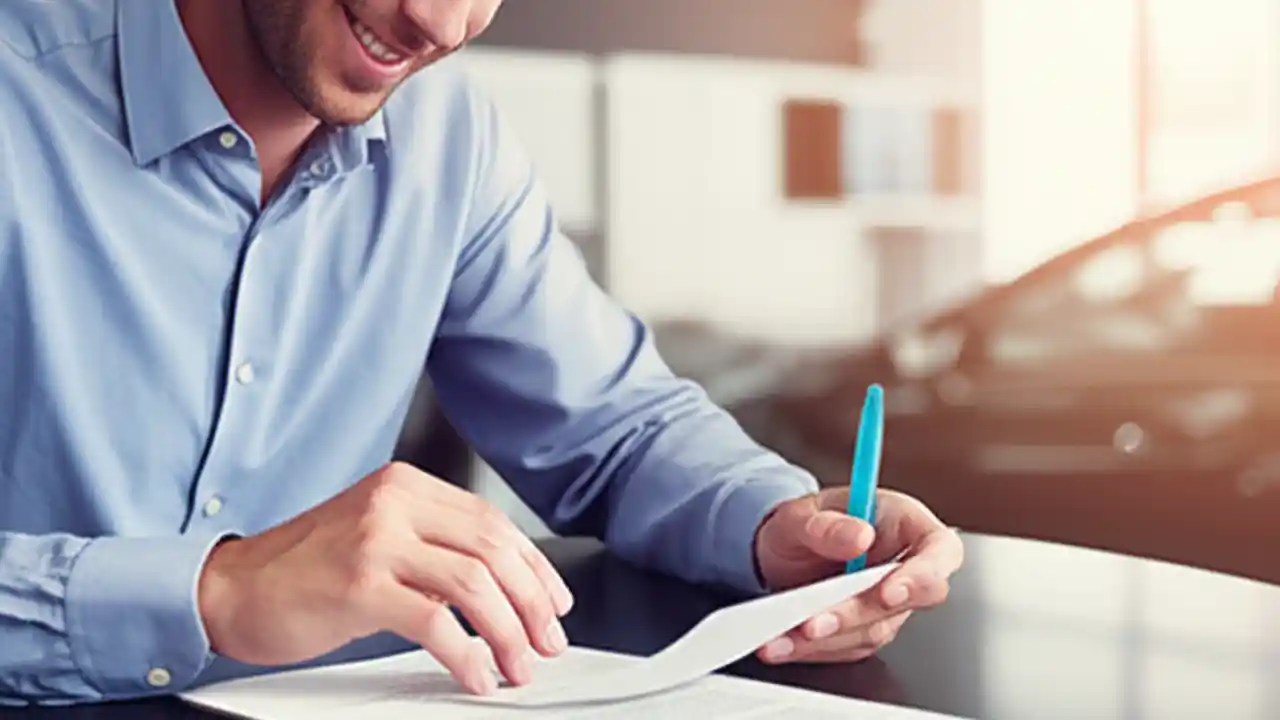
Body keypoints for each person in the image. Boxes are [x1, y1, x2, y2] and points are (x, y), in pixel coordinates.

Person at [0, 0, 964, 705]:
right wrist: (216, 592)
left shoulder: (448, 139)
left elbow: (617, 427)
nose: (441, 21)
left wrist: (774, 526)